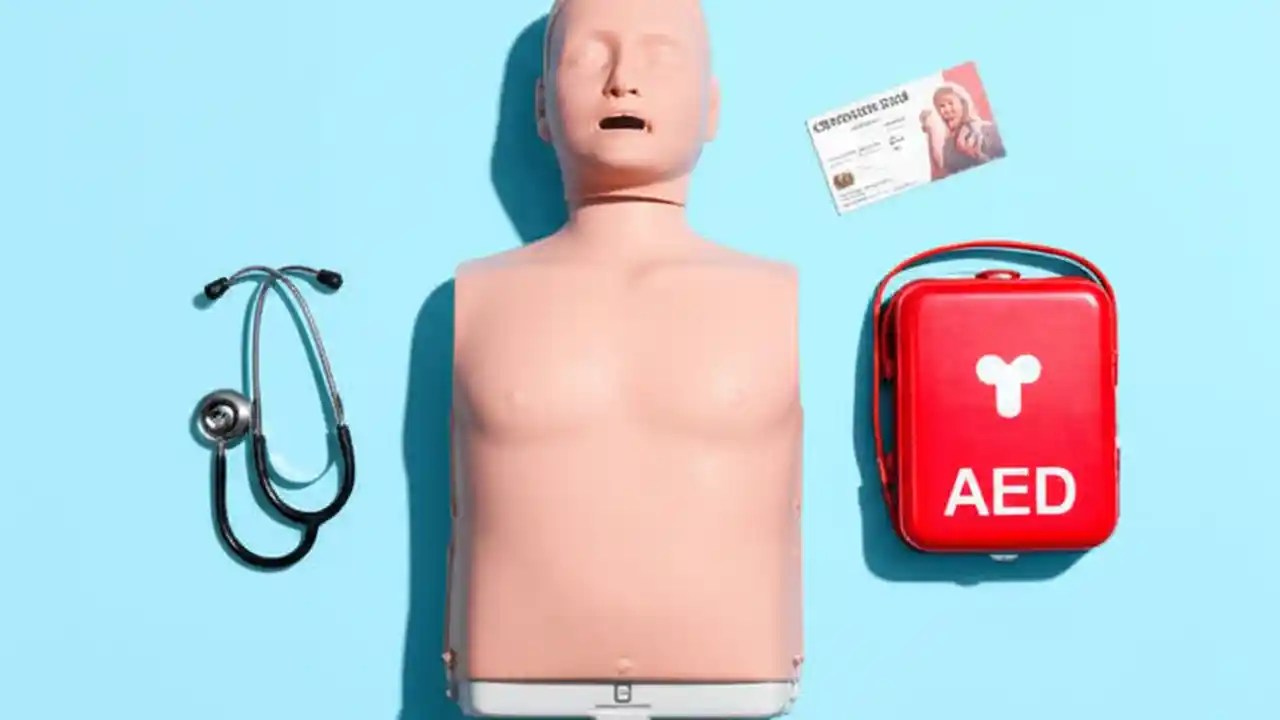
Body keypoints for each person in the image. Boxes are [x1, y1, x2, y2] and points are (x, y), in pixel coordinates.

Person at [443, 0, 803, 717]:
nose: (623, 81)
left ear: (711, 107)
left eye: (661, 54)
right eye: (587, 55)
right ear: (543, 107)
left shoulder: (772, 292)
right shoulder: (476, 294)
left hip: (739, 676)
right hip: (509, 676)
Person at [920, 81, 1006, 177]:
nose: (945, 110)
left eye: (950, 103)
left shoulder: (986, 130)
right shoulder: (947, 145)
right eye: (941, 106)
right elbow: (943, 173)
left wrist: (977, 155)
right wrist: (931, 132)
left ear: (963, 104)